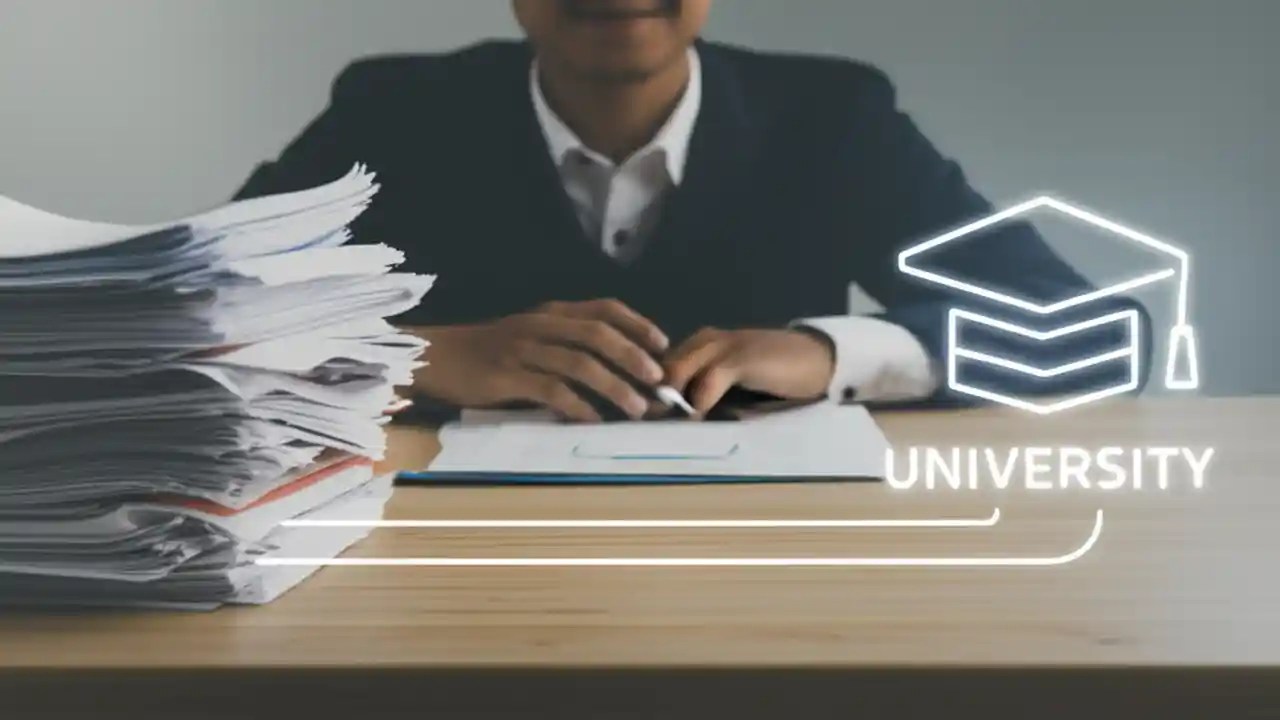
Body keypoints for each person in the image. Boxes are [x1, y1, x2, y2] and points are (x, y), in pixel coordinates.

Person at [235, 0, 1148, 422]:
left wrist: (833, 352)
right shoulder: (394, 113)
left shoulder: (835, 119)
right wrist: (427, 354)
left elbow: (1108, 334)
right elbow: (168, 330)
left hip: (782, 575)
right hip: (448, 581)